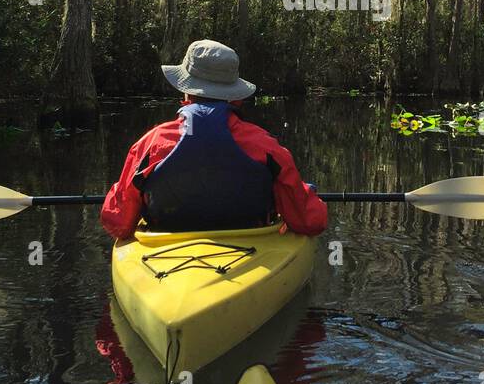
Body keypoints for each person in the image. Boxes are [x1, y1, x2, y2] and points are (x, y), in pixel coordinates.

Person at [99, 39, 328, 240]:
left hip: (165, 247)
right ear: (235, 98)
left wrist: (118, 193)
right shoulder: (266, 147)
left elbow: (117, 223)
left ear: (186, 92)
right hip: (252, 241)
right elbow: (310, 222)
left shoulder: (152, 143)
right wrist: (308, 194)